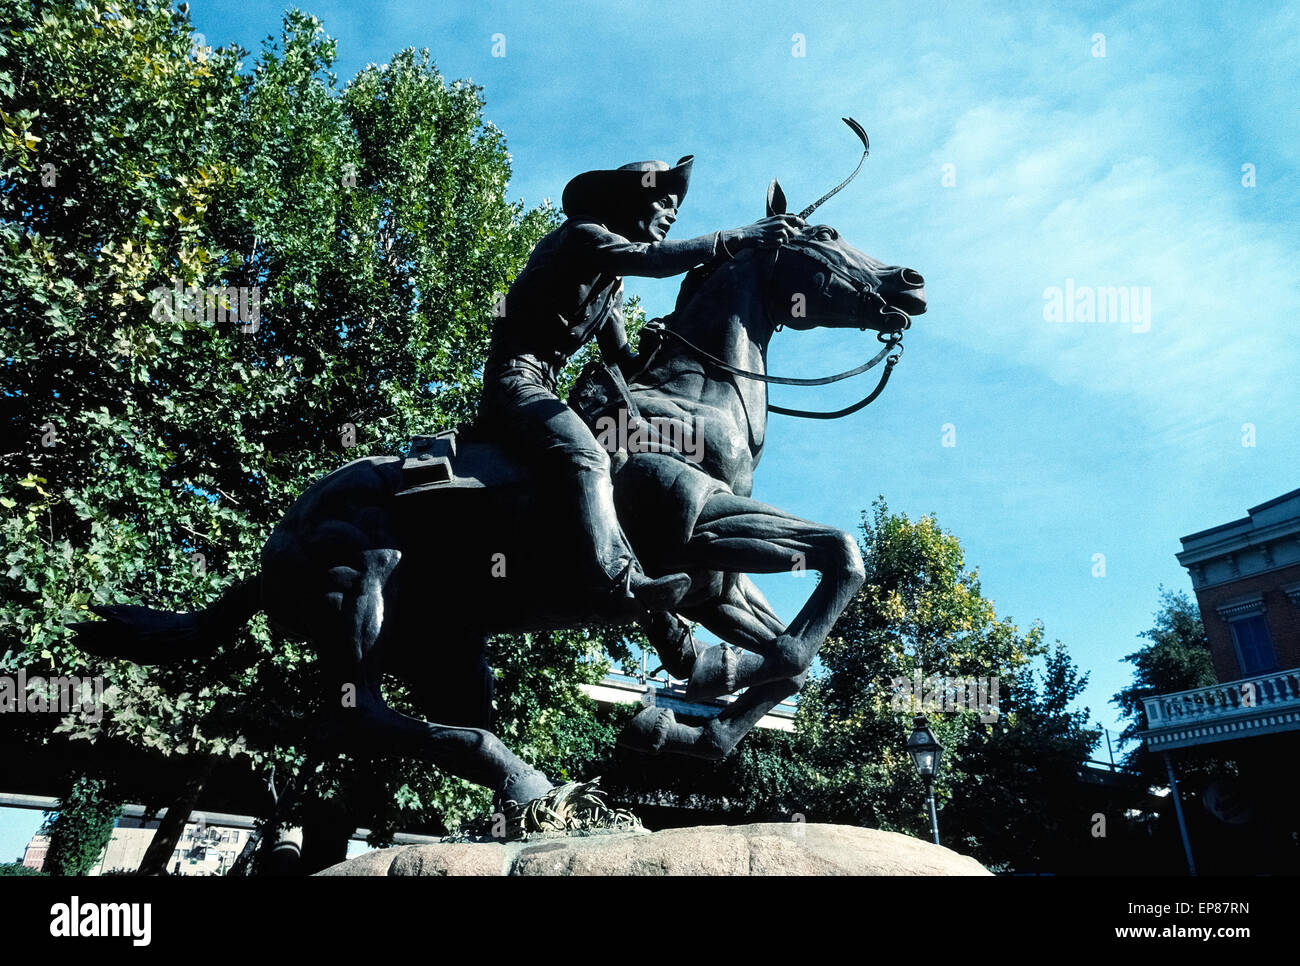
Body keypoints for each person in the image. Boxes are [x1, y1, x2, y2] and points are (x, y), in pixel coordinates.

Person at [478, 154, 804, 610]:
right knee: (587, 455)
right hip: (517, 382)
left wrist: (649, 349)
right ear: (632, 200)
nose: (671, 216)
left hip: (546, 391)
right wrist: (738, 238)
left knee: (627, 452)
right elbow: (646, 259)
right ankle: (620, 578)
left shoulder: (609, 286)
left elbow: (621, 357)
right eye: (664, 203)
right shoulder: (582, 236)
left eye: (676, 209)